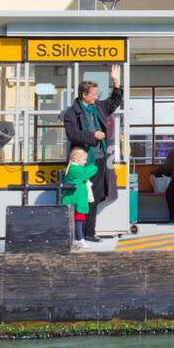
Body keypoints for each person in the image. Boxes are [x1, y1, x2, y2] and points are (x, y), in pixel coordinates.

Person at [63, 64, 124, 242]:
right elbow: (73, 134)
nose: (97, 96)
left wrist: (116, 81)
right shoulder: (71, 113)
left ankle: (89, 232)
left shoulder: (97, 107)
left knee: (95, 196)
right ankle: (77, 233)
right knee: (79, 197)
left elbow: (114, 102)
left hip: (99, 159)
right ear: (85, 95)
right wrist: (93, 135)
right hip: (82, 162)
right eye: (94, 93)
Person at [62, 146, 98, 244]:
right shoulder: (76, 170)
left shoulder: (72, 169)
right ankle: (79, 239)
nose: (85, 162)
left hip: (74, 199)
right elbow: (90, 170)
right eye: (84, 159)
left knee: (77, 221)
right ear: (77, 159)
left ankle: (77, 238)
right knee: (78, 220)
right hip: (76, 201)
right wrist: (93, 165)